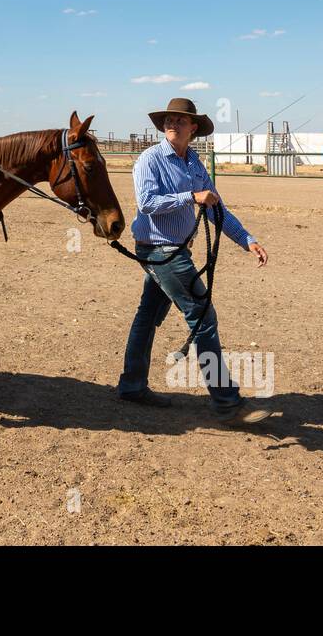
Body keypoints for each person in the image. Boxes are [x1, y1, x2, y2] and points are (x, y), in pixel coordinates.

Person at [118, 97, 270, 426]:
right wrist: (190, 196)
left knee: (147, 317)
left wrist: (247, 240)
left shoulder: (193, 163)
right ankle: (228, 403)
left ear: (194, 128)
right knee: (203, 317)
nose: (173, 123)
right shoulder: (150, 159)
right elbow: (146, 203)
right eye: (169, 119)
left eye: (181, 120)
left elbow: (216, 208)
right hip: (161, 251)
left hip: (171, 250)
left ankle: (131, 385)